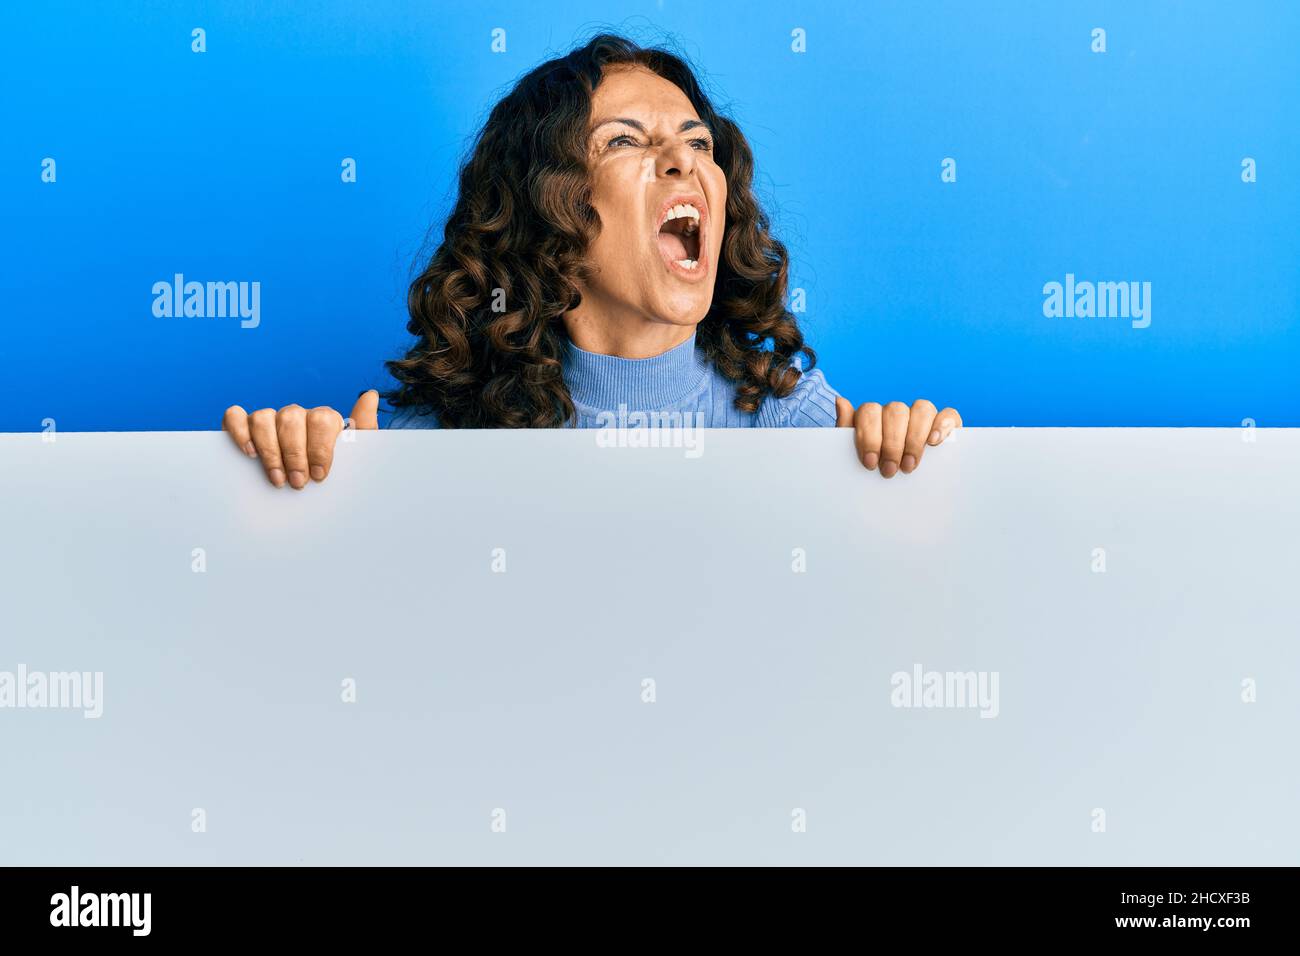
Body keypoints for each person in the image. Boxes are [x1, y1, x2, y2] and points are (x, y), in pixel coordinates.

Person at [222, 34, 961, 489]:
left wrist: (913, 468)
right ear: (550, 205)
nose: (683, 161)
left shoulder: (787, 417)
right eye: (625, 140)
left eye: (698, 142)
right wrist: (301, 474)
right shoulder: (430, 439)